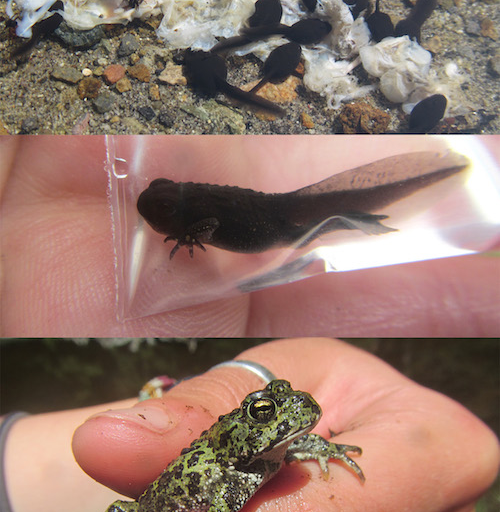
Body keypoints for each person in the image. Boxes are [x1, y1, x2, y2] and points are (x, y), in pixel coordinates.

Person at [1, 339, 498, 512]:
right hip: (149, 511)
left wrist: (323, 445)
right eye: (263, 411)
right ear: (243, 428)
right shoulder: (230, 475)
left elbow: (284, 450)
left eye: (280, 399)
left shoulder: (264, 456)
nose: (290, 409)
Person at [0, 135, 499, 337]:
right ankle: (357, 218)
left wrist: (191, 236)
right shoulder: (194, 202)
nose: (161, 204)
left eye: (166, 201)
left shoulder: (201, 214)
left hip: (272, 224)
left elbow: (212, 224)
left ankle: (360, 220)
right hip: (267, 223)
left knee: (318, 224)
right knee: (315, 223)